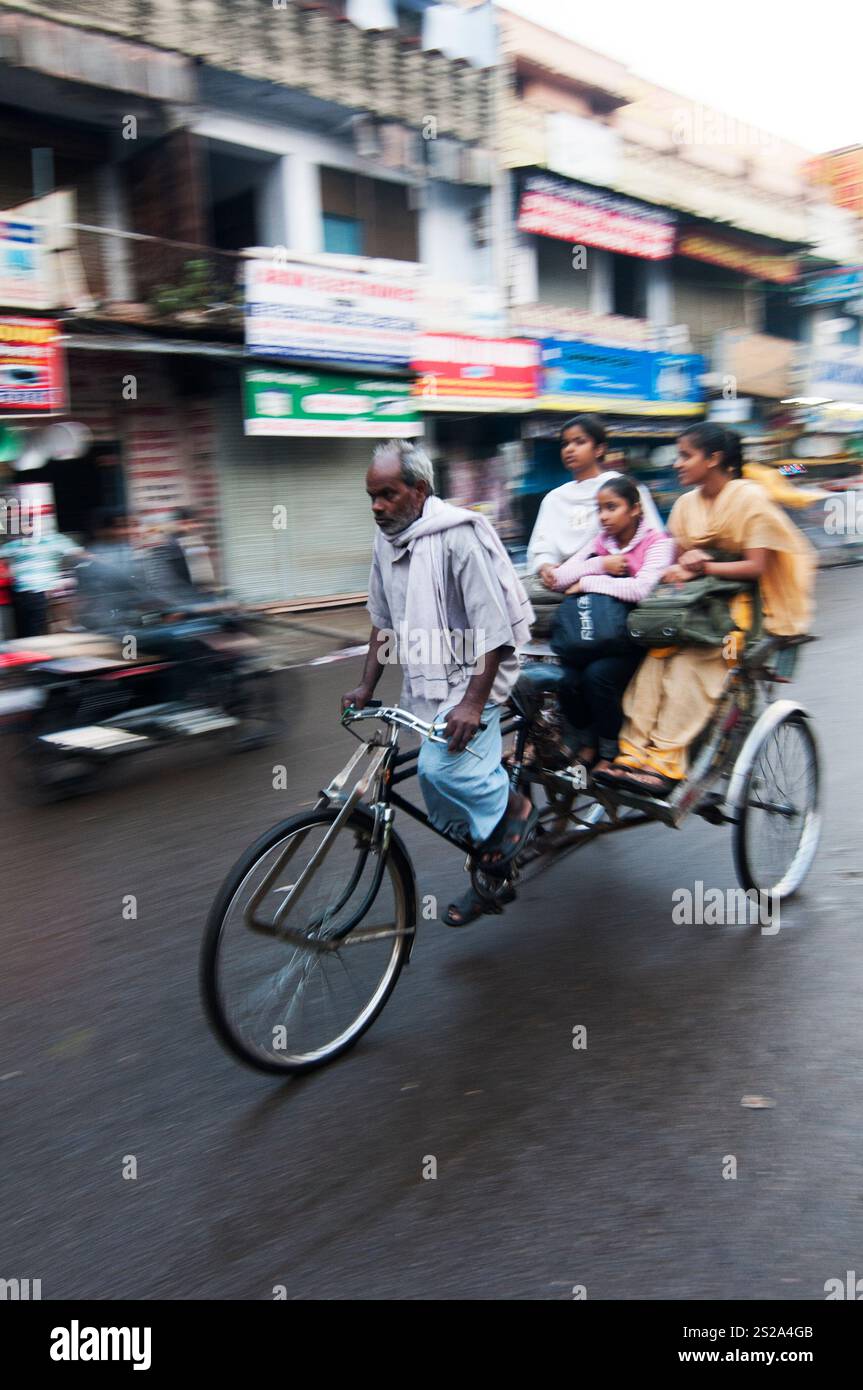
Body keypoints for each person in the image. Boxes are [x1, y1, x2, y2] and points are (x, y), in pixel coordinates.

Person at [341, 439, 536, 927]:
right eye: (371, 497)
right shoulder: (387, 542)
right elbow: (383, 621)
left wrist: (473, 704)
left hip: (478, 674)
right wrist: (366, 687)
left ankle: (513, 809)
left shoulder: (457, 536)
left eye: (386, 494)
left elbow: (493, 628)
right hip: (430, 677)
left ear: (419, 489)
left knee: (442, 770)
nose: (376, 507)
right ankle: (490, 865)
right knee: (432, 776)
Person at [596, 425, 815, 798]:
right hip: (692, 611)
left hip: (740, 622)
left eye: (685, 455)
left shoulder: (751, 500)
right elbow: (679, 562)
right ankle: (632, 754)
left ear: (714, 459)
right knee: (654, 667)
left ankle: (665, 764)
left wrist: (704, 564)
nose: (677, 463)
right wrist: (679, 566)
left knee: (695, 669)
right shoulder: (684, 505)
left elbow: (755, 567)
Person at [549, 476, 675, 773]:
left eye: (611, 507)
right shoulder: (600, 544)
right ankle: (586, 742)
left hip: (631, 642)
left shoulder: (658, 544)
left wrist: (588, 582)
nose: (604, 516)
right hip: (590, 637)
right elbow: (560, 578)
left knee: (597, 678)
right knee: (565, 680)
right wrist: (599, 566)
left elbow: (640, 590)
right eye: (600, 509)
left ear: (634, 509)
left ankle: (609, 752)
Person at [525, 414, 664, 635]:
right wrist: (545, 566)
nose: (570, 449)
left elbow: (651, 538)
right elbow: (541, 546)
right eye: (565, 443)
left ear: (599, 449)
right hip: (562, 590)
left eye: (579, 442)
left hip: (615, 592)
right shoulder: (554, 498)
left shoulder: (625, 487)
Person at [3, 524, 82, 637]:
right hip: (30, 592)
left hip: (34, 592)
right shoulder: (15, 546)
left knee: (34, 625)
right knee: (34, 625)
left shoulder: (18, 546)